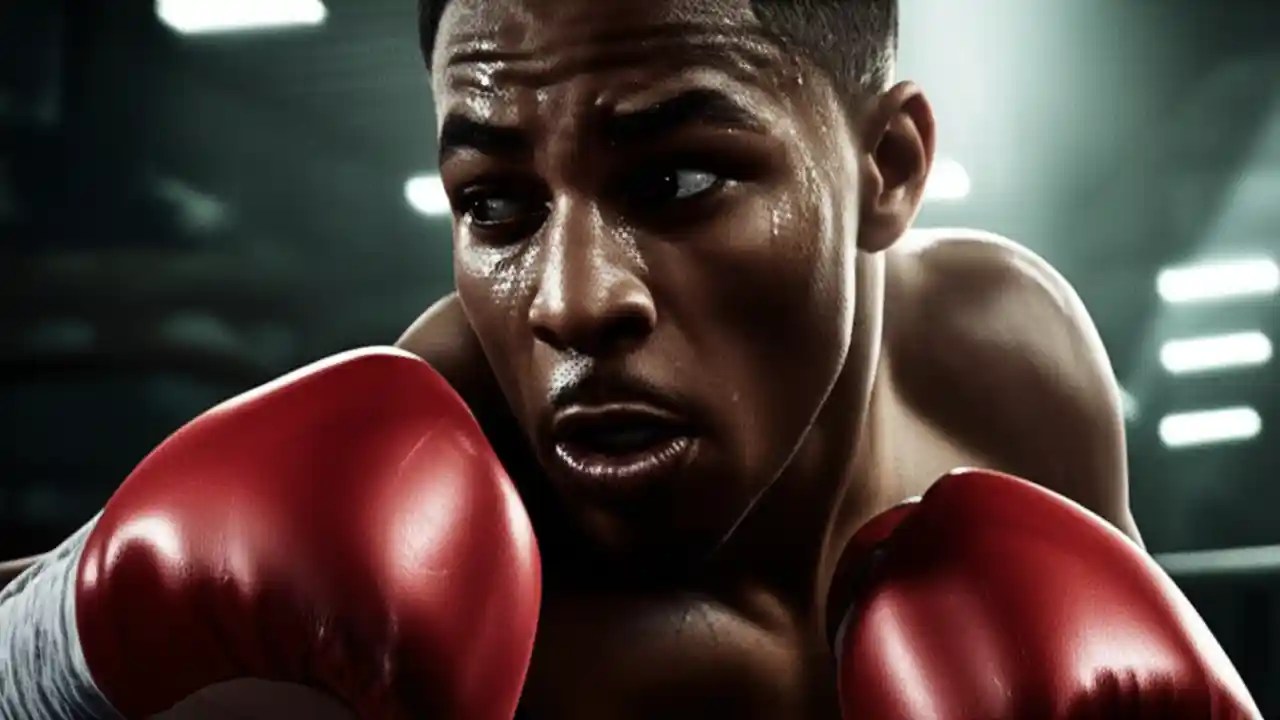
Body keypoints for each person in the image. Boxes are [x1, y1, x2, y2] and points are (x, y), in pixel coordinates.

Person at [0, 0, 1261, 718]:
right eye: (494, 203)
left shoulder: (1006, 362)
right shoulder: (413, 516)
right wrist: (63, 636)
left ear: (885, 172)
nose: (571, 303)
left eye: (678, 178)